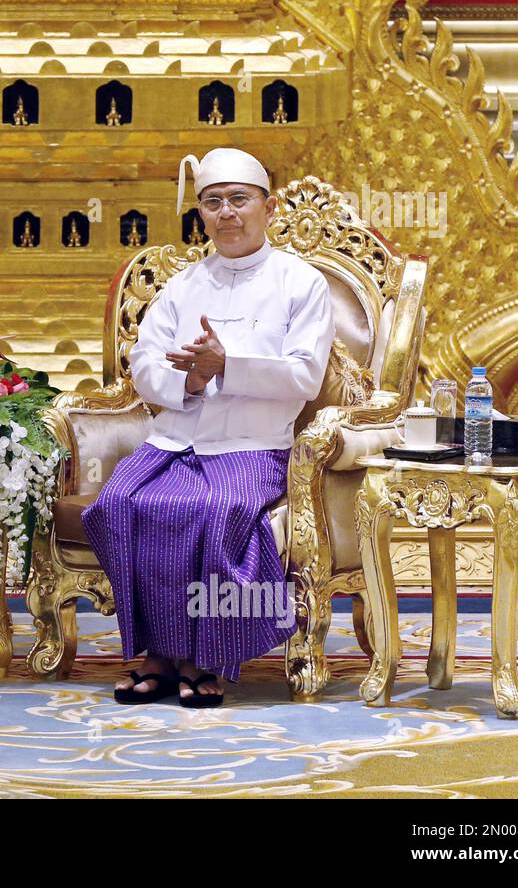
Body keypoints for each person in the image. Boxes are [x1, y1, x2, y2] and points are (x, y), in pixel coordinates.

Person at [83, 148, 334, 707]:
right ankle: (157, 651)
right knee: (120, 502)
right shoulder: (182, 285)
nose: (227, 213)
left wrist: (227, 366)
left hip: (254, 445)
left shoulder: (302, 282)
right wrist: (192, 383)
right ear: (201, 213)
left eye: (239, 200)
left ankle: (204, 655)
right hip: (177, 440)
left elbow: (306, 375)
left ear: (268, 208)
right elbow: (145, 365)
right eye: (213, 202)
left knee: (217, 511)